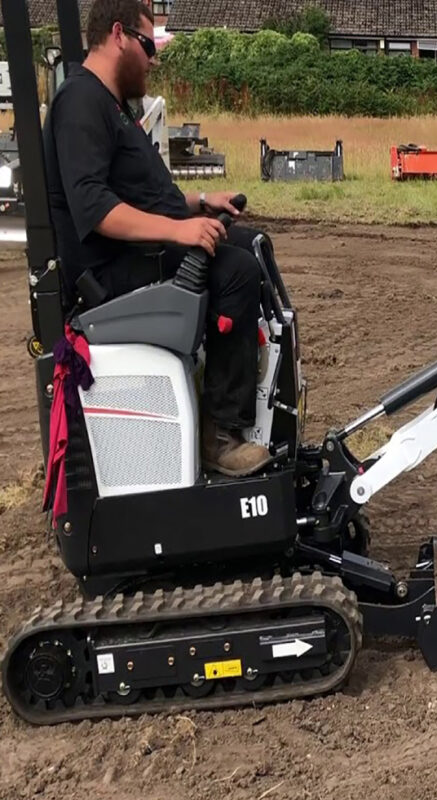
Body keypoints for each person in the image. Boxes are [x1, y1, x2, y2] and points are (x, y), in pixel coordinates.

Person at [42, 0, 270, 477]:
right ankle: (221, 437)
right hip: (109, 276)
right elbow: (95, 208)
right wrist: (180, 230)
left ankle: (240, 394)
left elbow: (143, 195)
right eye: (149, 46)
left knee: (249, 244)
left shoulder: (111, 106)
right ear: (119, 35)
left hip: (137, 254)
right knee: (236, 272)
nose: (153, 59)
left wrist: (201, 203)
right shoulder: (81, 102)